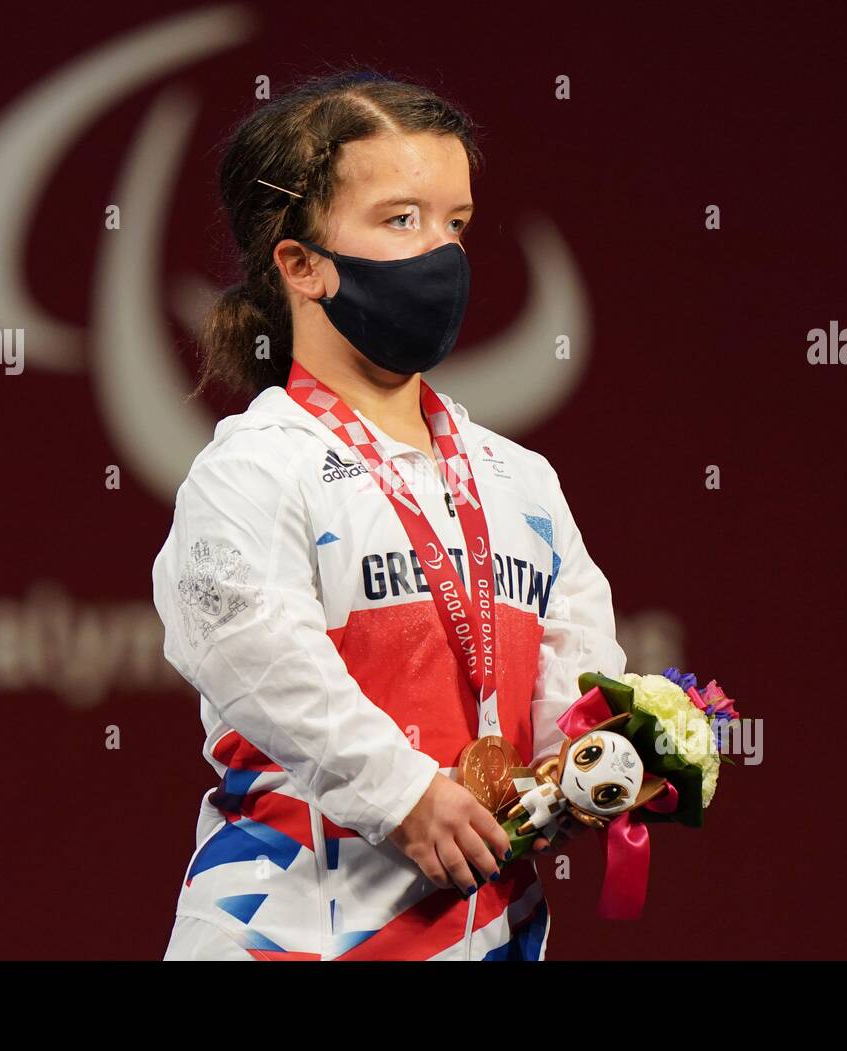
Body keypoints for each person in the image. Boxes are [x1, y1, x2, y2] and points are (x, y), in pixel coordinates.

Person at [152, 69, 626, 961]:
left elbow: (578, 672)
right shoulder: (251, 468)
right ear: (300, 264)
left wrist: (597, 761)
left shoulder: (520, 480)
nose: (442, 254)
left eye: (456, 223)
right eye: (400, 220)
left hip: (490, 939)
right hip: (282, 936)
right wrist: (405, 793)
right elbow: (257, 659)